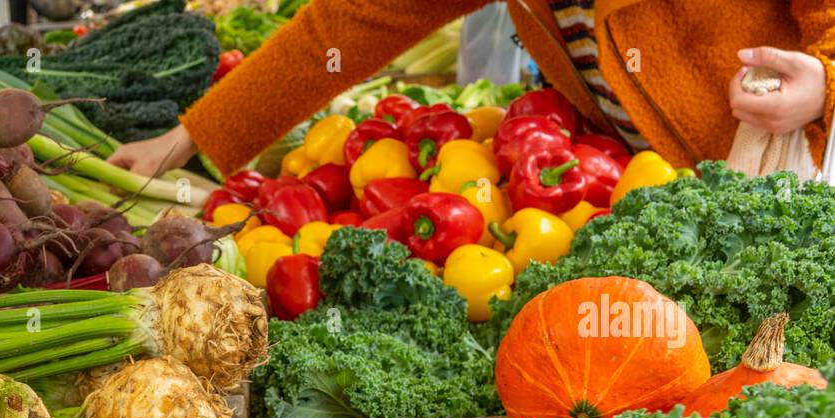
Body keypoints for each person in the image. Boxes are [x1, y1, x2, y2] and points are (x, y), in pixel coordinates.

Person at [109, 0, 835, 178]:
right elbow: (354, 21)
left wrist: (824, 82)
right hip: (661, 199)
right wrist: (188, 138)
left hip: (795, 171)